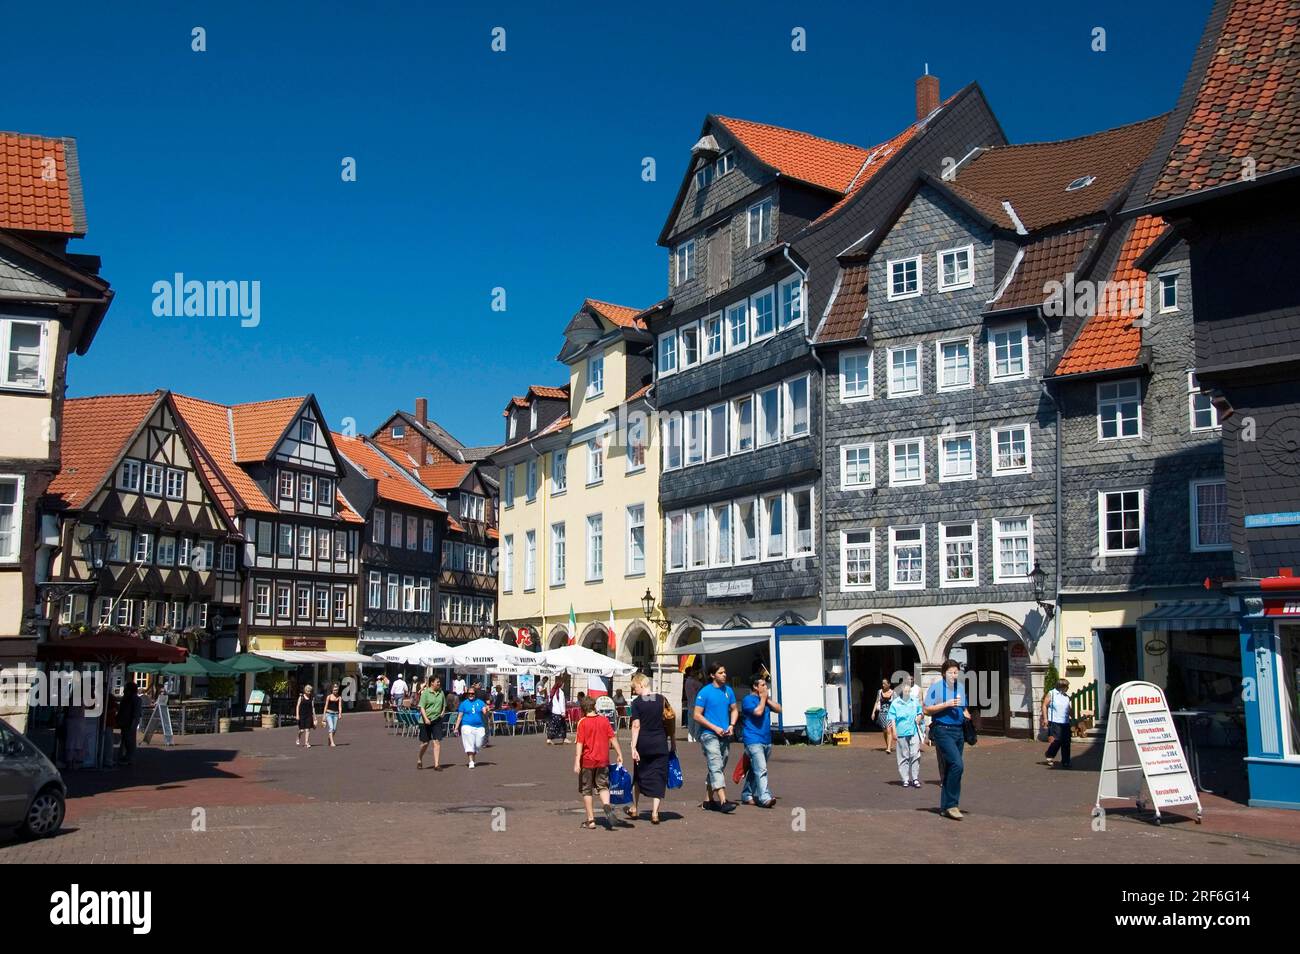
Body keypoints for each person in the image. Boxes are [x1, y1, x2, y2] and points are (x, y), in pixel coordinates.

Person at [923, 661, 972, 820]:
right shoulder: (937, 687)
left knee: (952, 768)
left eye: (956, 672)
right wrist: (946, 704)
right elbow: (926, 709)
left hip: (958, 731)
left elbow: (963, 707)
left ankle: (946, 807)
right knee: (957, 765)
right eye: (951, 672)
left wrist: (966, 714)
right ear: (944, 673)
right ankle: (952, 805)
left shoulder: (960, 687)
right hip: (943, 730)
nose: (954, 675)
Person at [627, 672, 674, 824]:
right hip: (660, 743)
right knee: (659, 776)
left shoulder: (637, 703)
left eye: (635, 688)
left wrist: (633, 747)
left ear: (641, 684)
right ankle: (655, 813)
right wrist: (672, 741)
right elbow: (670, 720)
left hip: (643, 744)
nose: (634, 691)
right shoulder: (661, 699)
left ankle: (635, 807)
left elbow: (636, 725)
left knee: (639, 776)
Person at [574, 696, 627, 830]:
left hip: (587, 760)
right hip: (603, 760)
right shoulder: (604, 720)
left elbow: (580, 743)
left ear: (583, 709)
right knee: (603, 786)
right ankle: (606, 805)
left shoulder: (583, 722)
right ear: (594, 706)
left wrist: (576, 761)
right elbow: (612, 737)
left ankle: (591, 820)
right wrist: (619, 753)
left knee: (587, 790)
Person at [693, 663, 738, 813]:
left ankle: (708, 800)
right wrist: (714, 728)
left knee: (717, 767)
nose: (724, 675)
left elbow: (734, 709)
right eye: (720, 673)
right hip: (709, 734)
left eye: (725, 672)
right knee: (715, 763)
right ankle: (723, 800)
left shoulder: (728, 691)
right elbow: (697, 715)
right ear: (713, 675)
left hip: (724, 735)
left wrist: (732, 725)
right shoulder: (705, 692)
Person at [739, 674, 781, 808]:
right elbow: (758, 712)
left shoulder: (765, 700)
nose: (765, 687)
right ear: (755, 687)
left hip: (766, 739)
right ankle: (764, 798)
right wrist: (763, 699)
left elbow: (779, 709)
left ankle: (746, 794)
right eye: (762, 685)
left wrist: (766, 699)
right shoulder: (748, 700)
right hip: (753, 739)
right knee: (761, 769)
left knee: (754, 769)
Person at [888, 681, 925, 788]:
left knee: (915, 754)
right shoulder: (896, 703)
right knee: (903, 755)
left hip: (913, 731)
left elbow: (920, 712)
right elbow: (892, 718)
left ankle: (915, 778)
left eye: (909, 691)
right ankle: (905, 778)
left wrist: (919, 717)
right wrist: (894, 731)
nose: (907, 693)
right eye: (905, 691)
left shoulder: (914, 700)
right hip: (901, 732)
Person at [1042, 679, 1073, 769]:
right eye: (1067, 686)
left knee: (1066, 742)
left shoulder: (1066, 697)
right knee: (1057, 740)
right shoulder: (1052, 693)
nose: (1068, 688)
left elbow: (1069, 709)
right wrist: (1045, 719)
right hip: (1055, 721)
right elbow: (1044, 705)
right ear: (1062, 686)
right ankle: (1049, 754)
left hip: (1065, 722)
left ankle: (1066, 761)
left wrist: (1073, 716)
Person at [455, 687, 488, 768]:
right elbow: (459, 716)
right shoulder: (463, 703)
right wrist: (456, 728)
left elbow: (484, 711)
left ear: (475, 694)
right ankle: (471, 761)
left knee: (478, 744)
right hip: (467, 725)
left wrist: (486, 709)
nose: (470, 695)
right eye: (469, 693)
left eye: (472, 693)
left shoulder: (480, 702)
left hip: (479, 726)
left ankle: (473, 756)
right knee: (469, 744)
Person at [418, 676, 447, 770]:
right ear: (432, 683)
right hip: (426, 721)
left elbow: (444, 704)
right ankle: (419, 758)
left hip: (437, 720)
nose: (439, 683)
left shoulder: (441, 692)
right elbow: (422, 707)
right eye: (437, 682)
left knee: (437, 741)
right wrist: (426, 718)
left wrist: (443, 712)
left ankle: (436, 764)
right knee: (425, 743)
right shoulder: (425, 693)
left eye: (439, 682)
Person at [117, 682, 140, 765]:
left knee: (130, 741)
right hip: (125, 722)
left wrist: (133, 725)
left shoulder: (135, 699)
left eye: (125, 689)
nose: (124, 691)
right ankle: (125, 757)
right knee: (125, 740)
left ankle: (129, 758)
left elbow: (136, 714)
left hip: (130, 723)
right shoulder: (126, 698)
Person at [870, 679, 895, 753]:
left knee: (888, 730)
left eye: (884, 683)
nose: (883, 685)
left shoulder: (893, 693)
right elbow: (877, 701)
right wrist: (873, 712)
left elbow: (896, 704)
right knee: (884, 731)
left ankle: (889, 748)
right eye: (882, 683)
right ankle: (888, 745)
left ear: (889, 684)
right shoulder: (880, 692)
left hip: (890, 714)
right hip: (882, 714)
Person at [545, 675, 568, 744]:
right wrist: (563, 712)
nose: (564, 685)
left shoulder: (553, 691)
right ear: (561, 684)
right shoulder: (560, 692)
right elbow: (561, 703)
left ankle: (549, 739)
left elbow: (549, 700)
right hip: (559, 712)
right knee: (562, 726)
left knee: (552, 726)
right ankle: (564, 738)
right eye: (563, 684)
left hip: (553, 711)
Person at [682, 667, 702, 742]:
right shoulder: (694, 681)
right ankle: (696, 737)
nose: (694, 672)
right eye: (693, 671)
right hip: (696, 704)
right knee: (697, 722)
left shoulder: (687, 681)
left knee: (690, 722)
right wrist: (699, 676)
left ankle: (690, 737)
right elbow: (701, 685)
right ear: (690, 673)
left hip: (689, 703)